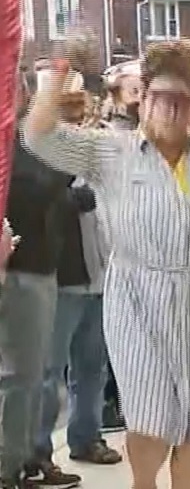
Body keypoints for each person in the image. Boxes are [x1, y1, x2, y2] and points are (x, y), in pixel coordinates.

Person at [21, 39, 190, 489]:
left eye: (180, 100)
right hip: (137, 296)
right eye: (159, 98)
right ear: (143, 101)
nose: (169, 109)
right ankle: (144, 484)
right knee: (151, 415)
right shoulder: (109, 153)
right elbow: (39, 136)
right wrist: (53, 81)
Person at [5, 75, 87, 489]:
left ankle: (26, 460)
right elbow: (27, 193)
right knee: (21, 376)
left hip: (43, 265)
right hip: (20, 268)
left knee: (34, 376)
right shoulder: (14, 145)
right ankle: (10, 467)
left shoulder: (28, 138)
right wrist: (68, 168)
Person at [37, 109, 122, 471]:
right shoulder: (37, 154)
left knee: (92, 366)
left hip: (99, 274)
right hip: (61, 278)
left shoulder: (95, 155)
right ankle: (37, 452)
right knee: (48, 371)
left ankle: (87, 436)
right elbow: (39, 205)